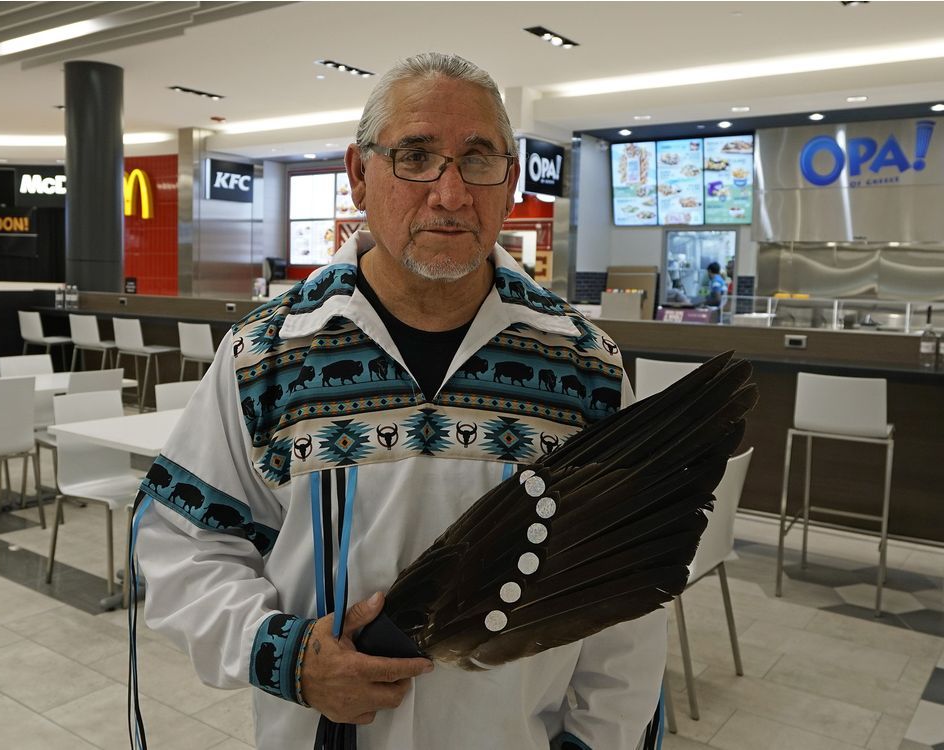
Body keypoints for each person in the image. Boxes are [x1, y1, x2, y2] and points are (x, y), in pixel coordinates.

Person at [135, 52, 665, 750]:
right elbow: (185, 547)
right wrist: (288, 656)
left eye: (478, 159)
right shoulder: (266, 357)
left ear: (509, 179)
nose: (449, 193)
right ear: (359, 175)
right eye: (415, 156)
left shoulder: (585, 368)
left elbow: (621, 595)